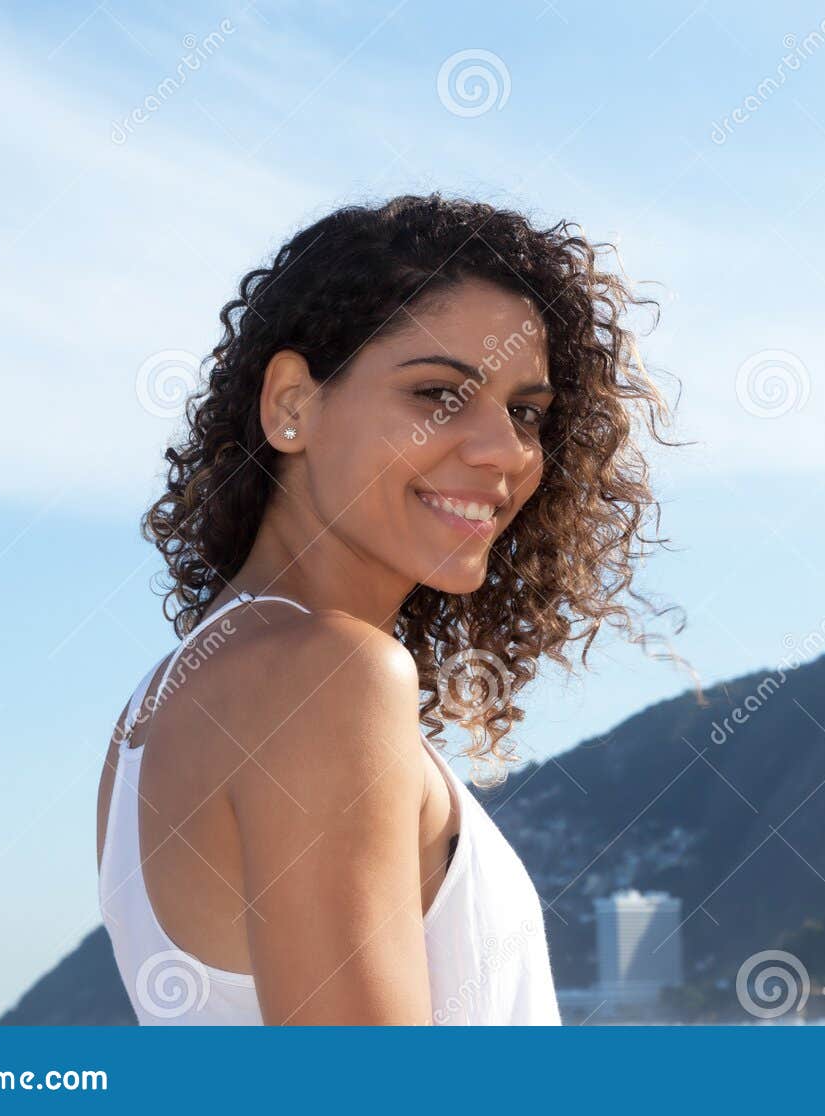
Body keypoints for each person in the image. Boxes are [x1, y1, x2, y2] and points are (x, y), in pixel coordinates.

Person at [94, 193, 687, 1024]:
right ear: (293, 405)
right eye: (439, 394)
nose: (506, 451)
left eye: (526, 413)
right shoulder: (329, 678)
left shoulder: (157, 710)